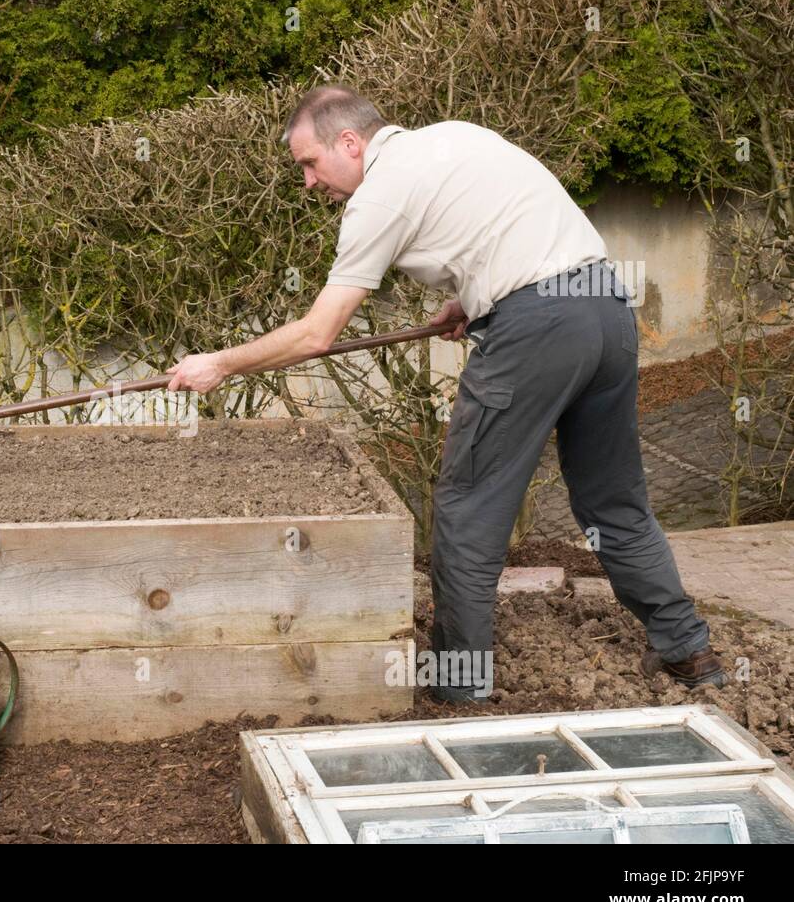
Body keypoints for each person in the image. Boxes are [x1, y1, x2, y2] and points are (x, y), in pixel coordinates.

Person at [165, 84, 728, 703]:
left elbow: (316, 334)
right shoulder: (458, 136)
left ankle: (460, 683)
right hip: (604, 307)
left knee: (468, 502)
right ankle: (687, 649)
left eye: (309, 163)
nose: (308, 182)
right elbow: (514, 230)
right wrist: (477, 299)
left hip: (537, 329)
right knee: (613, 500)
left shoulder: (377, 198)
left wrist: (220, 363)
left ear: (348, 143)